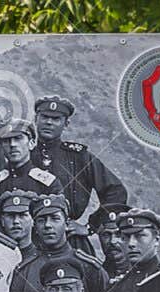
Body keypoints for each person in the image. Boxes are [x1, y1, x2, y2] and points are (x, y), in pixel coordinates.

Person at [7, 193, 109, 292]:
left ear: (66, 224)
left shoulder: (89, 267)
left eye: (55, 219)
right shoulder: (24, 270)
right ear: (35, 227)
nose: (48, 225)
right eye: (41, 220)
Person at [32, 95, 129, 230]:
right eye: (44, 117)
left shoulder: (79, 157)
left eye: (56, 119)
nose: (49, 122)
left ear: (66, 124)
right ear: (36, 119)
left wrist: (91, 227)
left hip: (66, 233)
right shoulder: (22, 152)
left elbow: (115, 191)